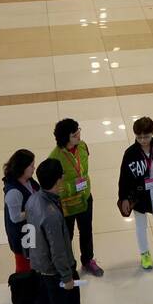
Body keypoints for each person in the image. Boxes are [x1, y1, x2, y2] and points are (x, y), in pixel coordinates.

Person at [25, 158, 84, 304]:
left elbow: (28, 232)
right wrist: (67, 277)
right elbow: (58, 250)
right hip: (53, 272)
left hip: (38, 266)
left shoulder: (33, 200)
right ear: (58, 180)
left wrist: (30, 257)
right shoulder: (51, 213)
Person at [48, 117, 104, 278]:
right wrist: (71, 187)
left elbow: (84, 169)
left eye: (78, 130)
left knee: (86, 230)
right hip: (67, 202)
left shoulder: (83, 147)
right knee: (68, 235)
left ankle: (88, 260)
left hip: (85, 197)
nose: (78, 135)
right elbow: (52, 186)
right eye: (74, 134)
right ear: (65, 138)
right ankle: (69, 265)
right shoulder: (55, 158)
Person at [118, 116, 153, 270]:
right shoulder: (130, 153)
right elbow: (124, 178)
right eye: (139, 137)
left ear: (152, 133)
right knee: (141, 227)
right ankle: (145, 254)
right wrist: (123, 198)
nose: (142, 140)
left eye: (146, 136)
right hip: (139, 197)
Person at [2, 149, 39, 274]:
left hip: (31, 230)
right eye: (31, 165)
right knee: (24, 266)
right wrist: (35, 210)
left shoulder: (27, 180)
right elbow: (15, 217)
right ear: (22, 168)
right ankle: (24, 289)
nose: (34, 168)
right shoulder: (14, 192)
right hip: (22, 236)